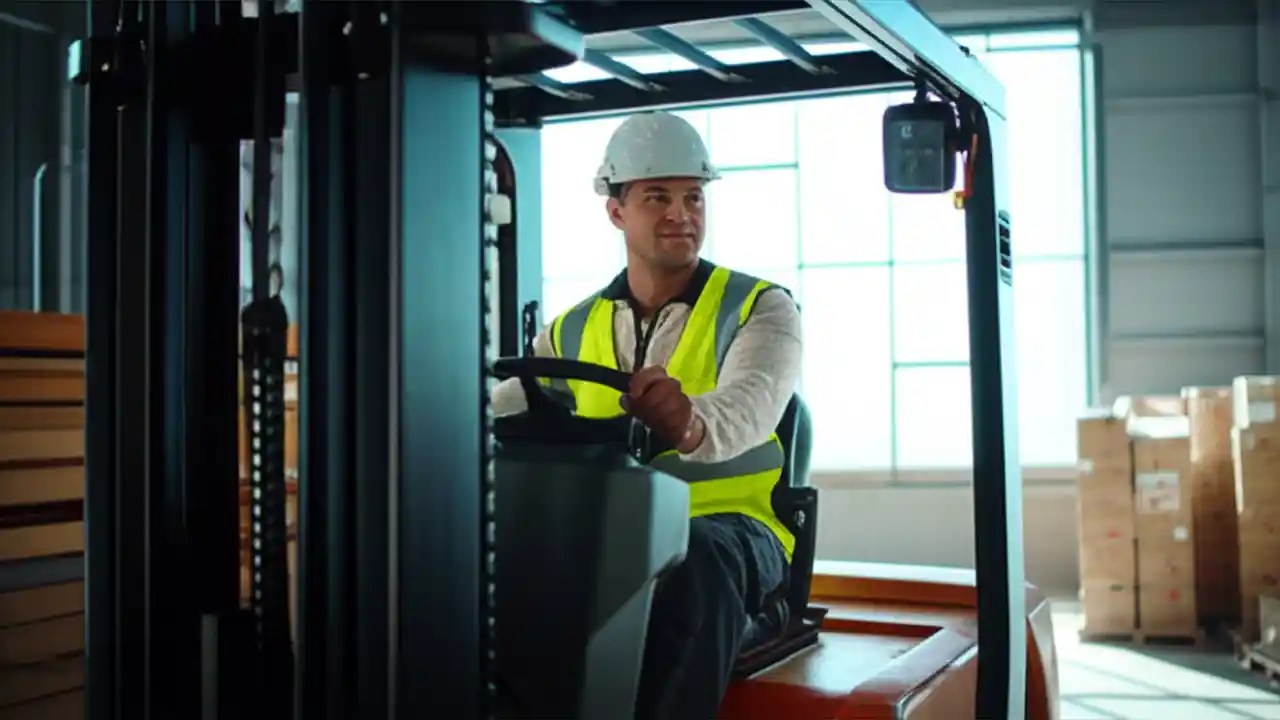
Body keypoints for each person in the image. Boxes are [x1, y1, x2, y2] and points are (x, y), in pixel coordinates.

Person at [490, 110, 803, 720]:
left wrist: (686, 421)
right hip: (610, 528)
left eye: (693, 197)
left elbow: (747, 406)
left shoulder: (761, 309)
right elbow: (506, 414)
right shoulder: (570, 329)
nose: (680, 214)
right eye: (657, 196)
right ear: (616, 211)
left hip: (733, 531)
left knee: (692, 559)